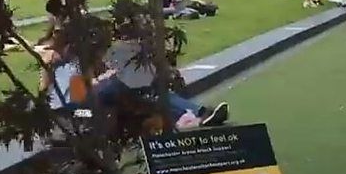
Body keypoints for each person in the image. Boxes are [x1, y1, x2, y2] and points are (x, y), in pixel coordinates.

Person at [39, 29, 229, 127]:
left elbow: (88, 85)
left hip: (88, 101)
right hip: (73, 111)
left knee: (144, 94)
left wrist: (105, 76)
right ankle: (193, 113)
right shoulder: (53, 59)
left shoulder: (82, 58)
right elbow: (72, 96)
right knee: (129, 84)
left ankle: (198, 113)